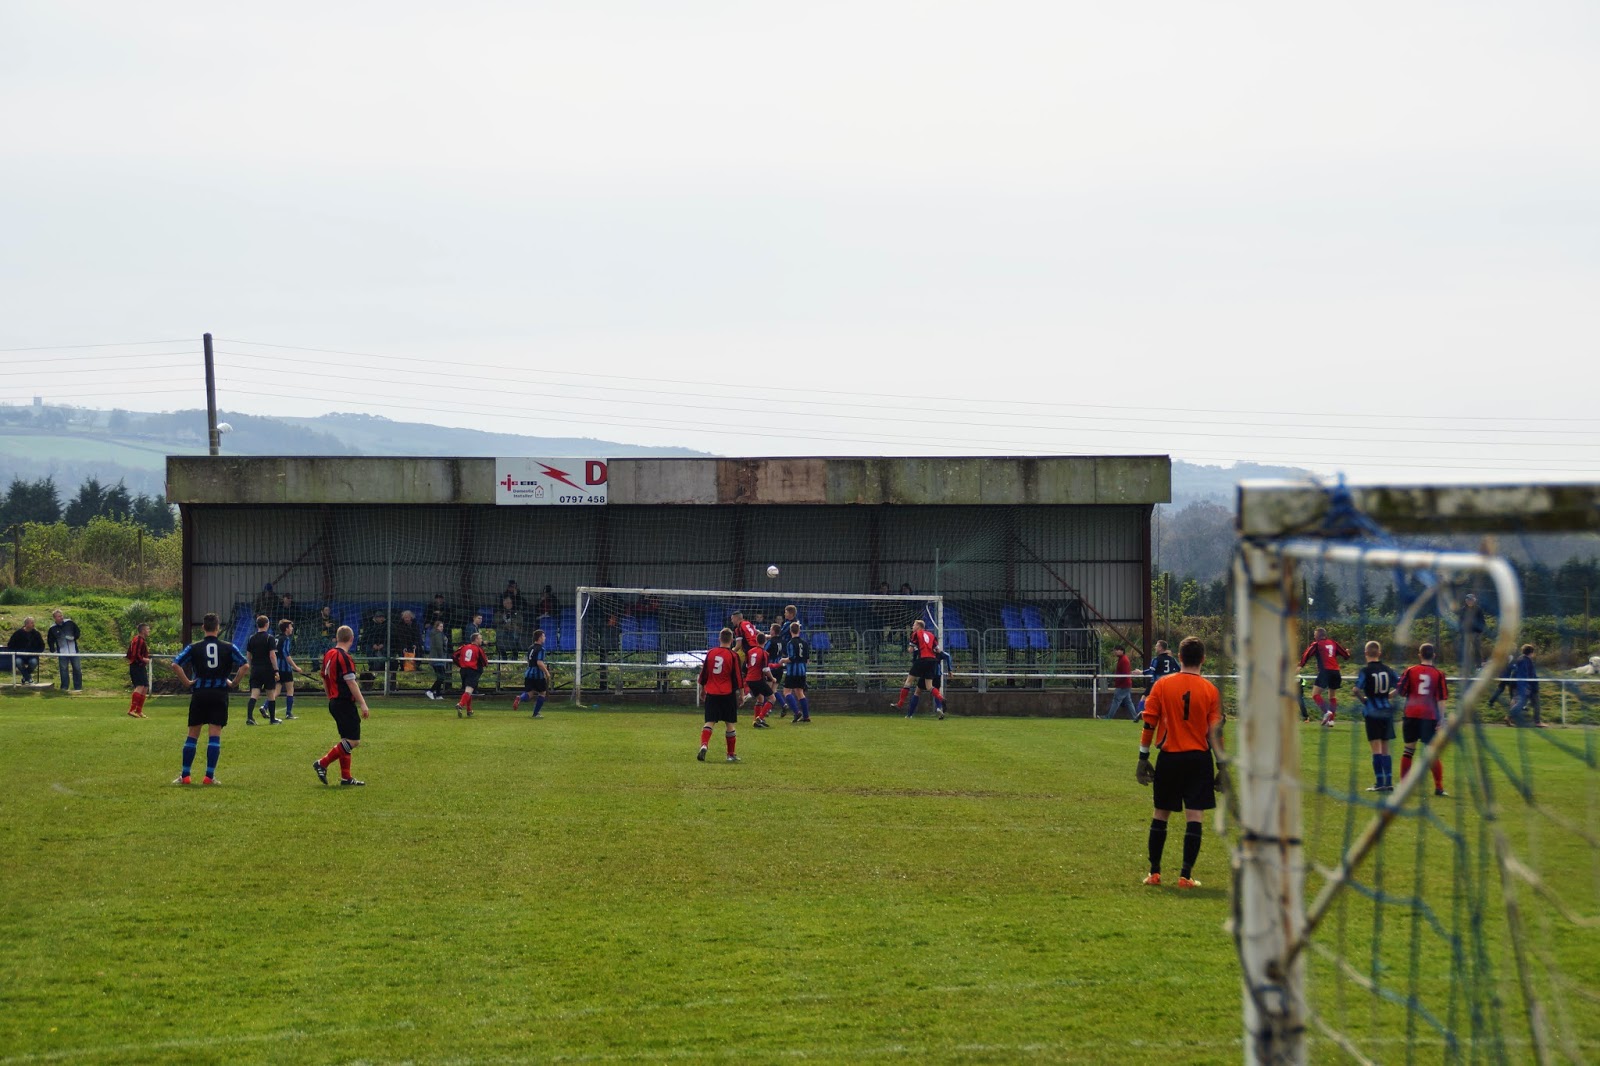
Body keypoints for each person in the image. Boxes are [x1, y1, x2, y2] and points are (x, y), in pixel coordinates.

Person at [1135, 636, 1224, 888]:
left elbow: (1149, 722)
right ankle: (1185, 876)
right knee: (1194, 814)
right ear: (1203, 659)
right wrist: (1223, 767)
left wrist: (1143, 758)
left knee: (1161, 813)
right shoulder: (1210, 690)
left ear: (1180, 659)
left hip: (1170, 757)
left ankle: (1154, 873)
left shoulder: (1162, 685)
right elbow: (1215, 733)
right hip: (1199, 759)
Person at [168, 612, 248, 785]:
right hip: (219, 694)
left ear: (203, 627)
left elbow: (175, 664)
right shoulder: (228, 647)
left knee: (192, 735)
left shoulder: (194, 647)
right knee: (214, 735)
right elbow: (245, 665)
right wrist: (233, 683)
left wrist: (188, 682)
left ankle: (186, 775)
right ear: (218, 628)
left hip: (200, 693)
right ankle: (209, 777)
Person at [312, 624, 371, 787]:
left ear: (337, 638)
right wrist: (363, 703)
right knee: (353, 740)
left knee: (345, 740)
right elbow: (351, 682)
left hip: (334, 701)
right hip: (344, 702)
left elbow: (323, 677)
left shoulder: (328, 654)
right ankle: (322, 763)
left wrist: (329, 696)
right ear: (352, 639)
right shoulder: (344, 657)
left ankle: (346, 778)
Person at [1397, 643, 1449, 797]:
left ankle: (1403, 786)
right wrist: (1441, 720)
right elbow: (1441, 700)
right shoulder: (1439, 674)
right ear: (1434, 655)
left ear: (1419, 655)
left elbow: (1401, 691)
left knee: (1408, 750)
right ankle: (1439, 787)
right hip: (1429, 717)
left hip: (1411, 714)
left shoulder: (1410, 670)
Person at [1353, 641, 1400, 792]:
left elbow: (1355, 690)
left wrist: (1364, 700)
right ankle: (1389, 782)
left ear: (1366, 653)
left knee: (1376, 748)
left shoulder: (1365, 671)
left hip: (1372, 712)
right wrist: (1388, 697)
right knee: (1386, 748)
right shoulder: (1388, 670)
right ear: (1379, 653)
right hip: (1386, 712)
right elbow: (1402, 686)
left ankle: (1380, 783)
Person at [696, 628, 741, 762]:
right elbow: (738, 677)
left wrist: (702, 690)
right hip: (727, 693)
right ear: (732, 640)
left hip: (712, 692)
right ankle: (730, 754)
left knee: (709, 722)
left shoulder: (711, 653)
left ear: (719, 639)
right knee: (729, 724)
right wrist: (742, 694)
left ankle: (704, 745)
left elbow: (704, 674)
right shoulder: (733, 655)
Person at [1299, 627, 1351, 726]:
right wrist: (1348, 652)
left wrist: (1300, 665)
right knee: (1332, 696)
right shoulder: (1333, 643)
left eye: (1315, 634)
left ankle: (1326, 712)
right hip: (1336, 672)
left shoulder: (1317, 644)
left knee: (1315, 694)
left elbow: (1307, 654)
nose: (1314, 636)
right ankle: (1331, 721)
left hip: (1325, 672)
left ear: (1318, 635)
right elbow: (1346, 656)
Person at [902, 619, 946, 719]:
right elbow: (943, 654)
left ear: (918, 626)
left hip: (924, 666)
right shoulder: (932, 639)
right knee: (934, 689)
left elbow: (911, 650)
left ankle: (909, 714)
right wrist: (951, 670)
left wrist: (913, 650)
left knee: (917, 691)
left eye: (914, 625)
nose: (913, 627)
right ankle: (939, 707)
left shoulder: (918, 639)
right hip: (936, 671)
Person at [243, 614, 281, 725]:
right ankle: (272, 719)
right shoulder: (270, 638)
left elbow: (248, 655)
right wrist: (276, 670)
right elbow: (272, 656)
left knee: (254, 693)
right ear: (266, 624)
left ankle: (250, 718)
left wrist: (250, 666)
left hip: (256, 669)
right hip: (267, 669)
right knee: (270, 693)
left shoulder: (251, 638)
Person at [513, 629, 551, 718]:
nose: (545, 638)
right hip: (537, 674)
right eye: (544, 636)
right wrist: (547, 672)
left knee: (529, 693)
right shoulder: (541, 649)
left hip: (529, 673)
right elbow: (539, 663)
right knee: (542, 693)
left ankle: (520, 698)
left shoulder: (531, 647)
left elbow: (529, 660)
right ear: (540, 637)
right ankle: (536, 713)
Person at [780, 621, 811, 723]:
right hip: (802, 671)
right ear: (799, 630)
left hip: (793, 671)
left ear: (790, 631)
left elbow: (792, 658)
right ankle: (806, 716)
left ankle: (797, 712)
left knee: (787, 692)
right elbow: (807, 660)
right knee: (800, 692)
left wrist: (783, 660)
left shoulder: (791, 643)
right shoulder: (805, 643)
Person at [743, 636, 776, 728]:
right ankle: (760, 718)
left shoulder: (750, 652)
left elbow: (746, 665)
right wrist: (772, 678)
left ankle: (756, 721)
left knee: (760, 699)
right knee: (772, 698)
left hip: (749, 679)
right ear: (765, 642)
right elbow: (765, 669)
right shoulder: (764, 653)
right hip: (757, 679)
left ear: (756, 641)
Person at [1507, 643, 1543, 728]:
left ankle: (1512, 717)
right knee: (1523, 703)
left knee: (1522, 702)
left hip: (1528, 685)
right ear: (1531, 652)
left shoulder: (1523, 659)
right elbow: (1524, 674)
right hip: (1528, 686)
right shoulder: (1524, 660)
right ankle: (1509, 716)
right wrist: (1526, 687)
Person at [47, 609, 83, 691]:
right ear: (54, 618)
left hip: (74, 651)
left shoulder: (70, 623)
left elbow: (77, 631)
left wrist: (74, 637)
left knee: (77, 669)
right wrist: (53, 650)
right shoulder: (52, 628)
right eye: (59, 616)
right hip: (62, 653)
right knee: (63, 670)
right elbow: (50, 640)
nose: (61, 617)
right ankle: (64, 687)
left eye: (61, 615)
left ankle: (78, 687)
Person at [452, 632, 486, 718]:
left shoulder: (463, 647)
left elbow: (454, 655)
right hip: (473, 671)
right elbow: (485, 662)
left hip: (463, 670)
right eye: (480, 638)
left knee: (467, 691)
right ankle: (460, 704)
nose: (481, 640)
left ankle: (469, 710)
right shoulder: (478, 649)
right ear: (476, 639)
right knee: (469, 690)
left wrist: (460, 664)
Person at [1142, 640, 1180, 712]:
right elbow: (1179, 669)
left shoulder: (1156, 659)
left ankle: (1142, 713)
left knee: (1148, 698)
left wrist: (1141, 672)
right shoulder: (1172, 659)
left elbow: (1151, 671)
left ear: (1160, 648)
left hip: (1158, 684)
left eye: (1156, 646)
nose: (1155, 647)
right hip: (1170, 684)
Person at [275, 618, 302, 720]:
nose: (292, 628)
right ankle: (288, 713)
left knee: (277, 690)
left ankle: (264, 706)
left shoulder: (276, 638)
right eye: (291, 627)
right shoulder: (286, 639)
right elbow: (286, 654)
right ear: (286, 629)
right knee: (290, 689)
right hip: (285, 668)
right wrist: (296, 667)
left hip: (277, 667)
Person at [126, 621, 152, 718]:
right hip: (136, 666)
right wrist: (143, 659)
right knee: (140, 686)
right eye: (147, 629)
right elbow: (134, 655)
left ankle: (139, 710)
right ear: (143, 630)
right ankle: (132, 709)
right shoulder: (138, 640)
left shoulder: (141, 640)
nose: (149, 631)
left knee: (145, 687)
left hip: (140, 666)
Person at [1457, 593, 1487, 675]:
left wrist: (1479, 631)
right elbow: (1460, 622)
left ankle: (1478, 666)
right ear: (1466, 601)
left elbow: (1482, 621)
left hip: (1475, 633)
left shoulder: (1478, 610)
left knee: (1477, 649)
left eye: (1471, 600)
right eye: (1468, 600)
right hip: (1465, 633)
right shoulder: (1462, 610)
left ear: (1474, 601)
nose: (1469, 601)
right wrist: (1461, 631)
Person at [1105, 644, 1138, 721]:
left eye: (1116, 650)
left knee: (1116, 700)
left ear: (1121, 651)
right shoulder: (1123, 659)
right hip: (1125, 684)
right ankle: (1135, 717)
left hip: (1123, 685)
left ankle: (1109, 717)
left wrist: (1120, 683)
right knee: (1128, 702)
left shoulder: (1123, 660)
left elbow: (1124, 674)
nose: (1115, 652)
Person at [8, 616, 44, 683]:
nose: (33, 624)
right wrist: (17, 652)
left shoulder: (36, 634)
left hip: (32, 656)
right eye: (32, 623)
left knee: (33, 662)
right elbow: (10, 645)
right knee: (18, 662)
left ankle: (25, 677)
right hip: (20, 655)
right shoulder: (17, 633)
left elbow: (42, 646)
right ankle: (28, 678)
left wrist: (36, 652)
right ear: (26, 624)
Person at [425, 619, 452, 700]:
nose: (442, 628)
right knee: (441, 676)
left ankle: (438, 694)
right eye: (440, 626)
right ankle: (430, 691)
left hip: (436, 658)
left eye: (442, 626)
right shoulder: (438, 634)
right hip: (437, 659)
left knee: (440, 676)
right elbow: (439, 646)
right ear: (436, 627)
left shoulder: (436, 634)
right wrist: (441, 657)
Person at [764, 623, 788, 717]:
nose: (770, 630)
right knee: (774, 689)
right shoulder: (782, 641)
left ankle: (766, 710)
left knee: (767, 689)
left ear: (773, 631)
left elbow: (764, 652)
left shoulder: (771, 641)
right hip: (779, 667)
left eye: (770, 628)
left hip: (771, 667)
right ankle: (783, 704)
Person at [393, 609, 423, 674]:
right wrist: (404, 646)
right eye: (405, 617)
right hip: (402, 644)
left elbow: (417, 636)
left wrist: (415, 644)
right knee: (402, 651)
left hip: (413, 643)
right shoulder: (400, 626)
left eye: (408, 617)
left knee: (419, 649)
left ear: (411, 618)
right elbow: (400, 638)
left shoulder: (415, 625)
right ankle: (403, 666)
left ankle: (416, 666)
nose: (407, 619)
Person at [363, 608, 390, 676]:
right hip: (370, 644)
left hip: (383, 644)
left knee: (385, 652)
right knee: (370, 651)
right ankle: (372, 668)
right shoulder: (369, 625)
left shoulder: (386, 625)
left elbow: (387, 637)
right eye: (380, 617)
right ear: (376, 618)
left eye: (382, 617)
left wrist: (382, 644)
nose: (381, 619)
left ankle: (382, 669)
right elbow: (366, 637)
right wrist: (373, 644)